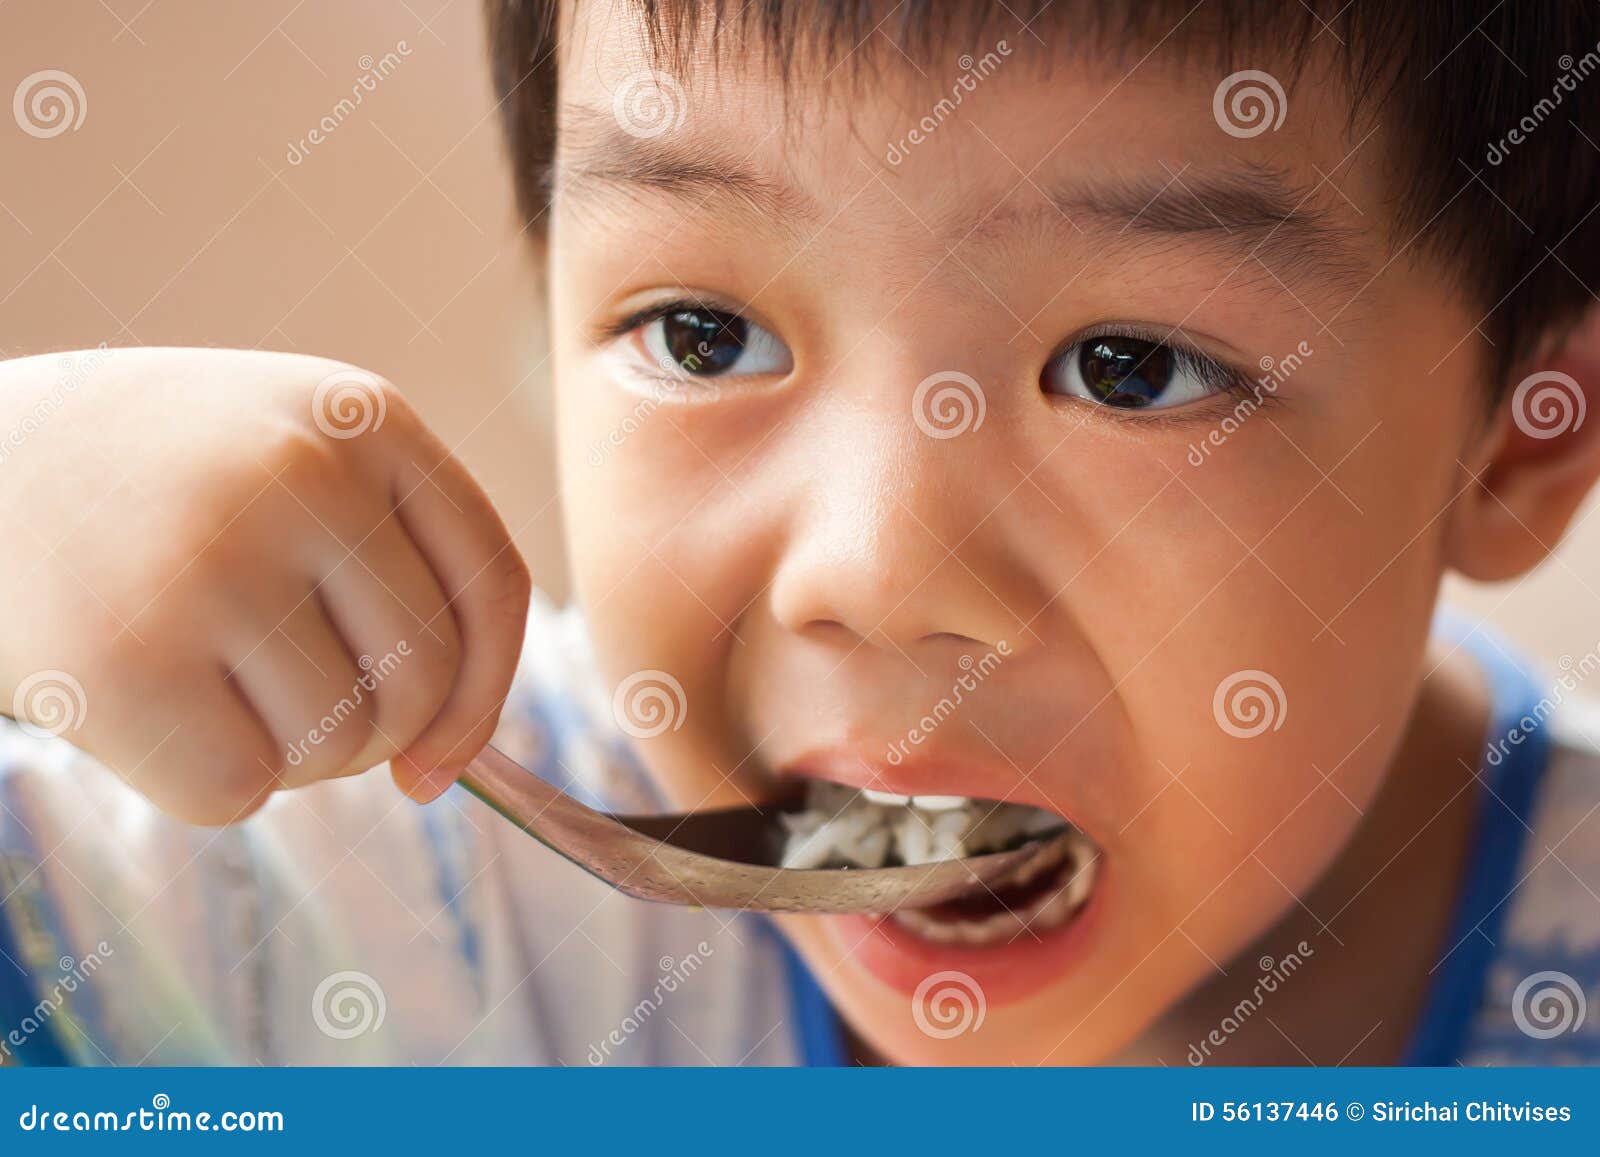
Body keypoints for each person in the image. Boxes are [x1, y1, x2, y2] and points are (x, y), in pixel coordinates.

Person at [1, 0, 1598, 1066]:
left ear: (1525, 443)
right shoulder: (412, 896)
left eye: (1132, 370)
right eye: (703, 333)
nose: (871, 575)